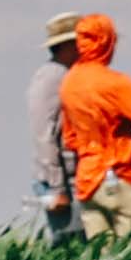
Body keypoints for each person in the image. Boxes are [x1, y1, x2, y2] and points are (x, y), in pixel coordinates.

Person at [56, 10, 131, 244]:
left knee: (102, 257)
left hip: (88, 182)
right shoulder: (114, 83)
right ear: (106, 42)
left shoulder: (69, 83)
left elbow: (70, 139)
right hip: (120, 177)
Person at [32, 13, 90, 242]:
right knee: (71, 246)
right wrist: (57, 188)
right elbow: (44, 134)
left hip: (70, 178)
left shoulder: (65, 74)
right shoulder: (52, 78)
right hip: (61, 180)